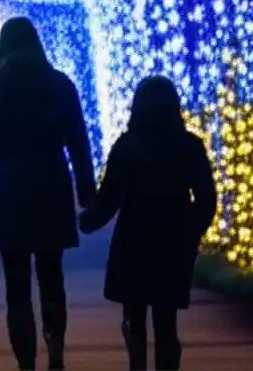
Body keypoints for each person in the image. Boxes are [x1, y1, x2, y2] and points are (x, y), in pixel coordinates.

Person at [0, 18, 96, 370]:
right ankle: (55, 348)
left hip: (9, 191)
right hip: (50, 185)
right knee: (52, 275)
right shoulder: (60, 86)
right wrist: (87, 195)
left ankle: (25, 360)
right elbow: (78, 144)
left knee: (16, 284)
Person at [79, 76, 217, 371]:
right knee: (166, 321)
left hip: (133, 241)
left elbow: (110, 198)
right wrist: (191, 230)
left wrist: (87, 220)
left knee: (134, 315)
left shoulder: (128, 145)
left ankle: (137, 364)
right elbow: (206, 197)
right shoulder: (188, 146)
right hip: (173, 243)